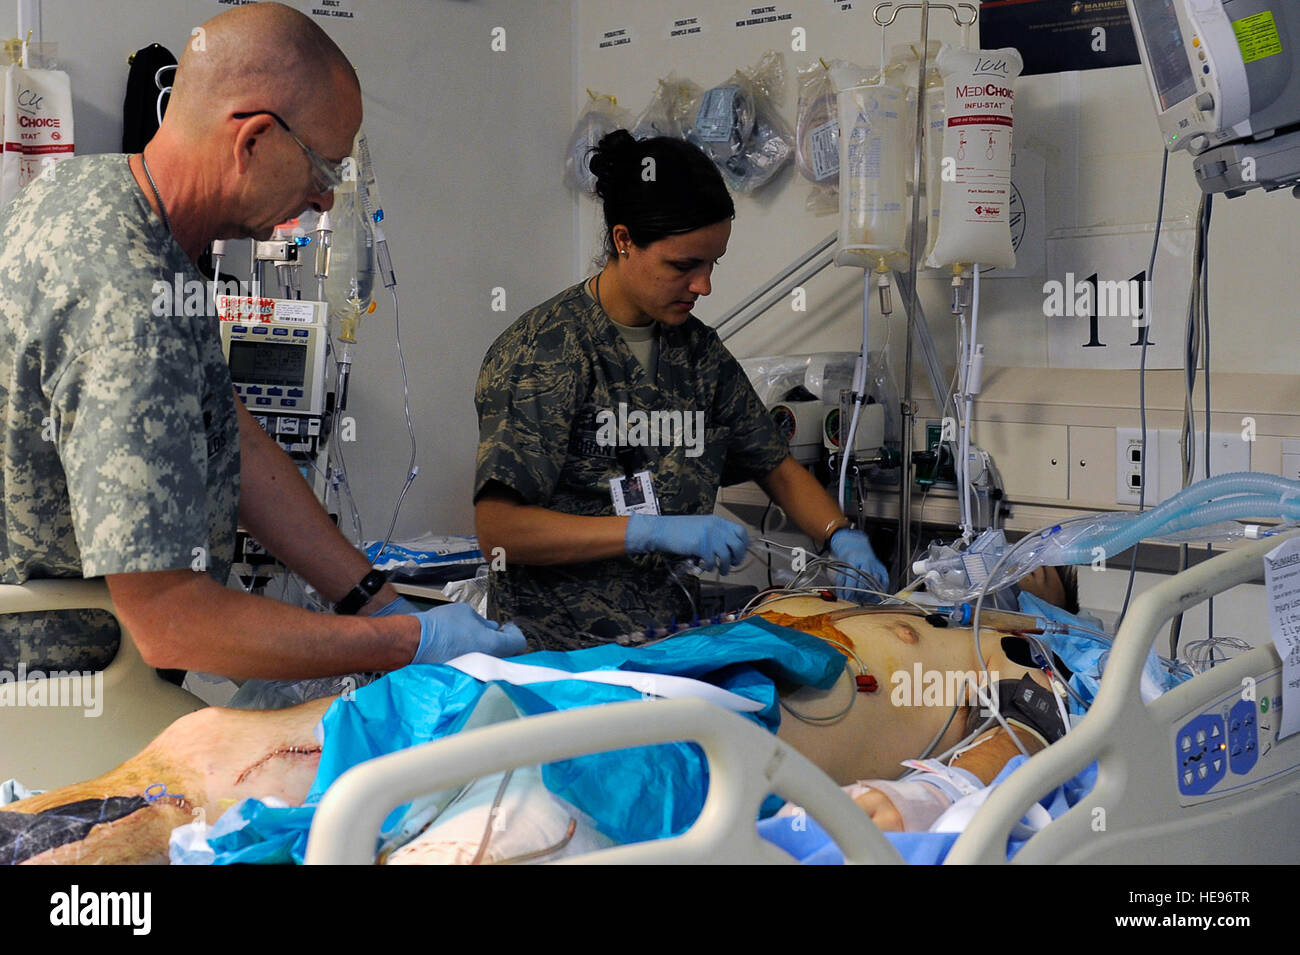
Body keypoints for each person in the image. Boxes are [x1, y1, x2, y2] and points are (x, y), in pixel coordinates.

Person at [0, 2, 522, 680]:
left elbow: (235, 437)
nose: (326, 200)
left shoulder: (89, 196)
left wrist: (378, 603)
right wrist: (407, 645)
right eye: (322, 168)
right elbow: (173, 622)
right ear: (251, 141)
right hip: (74, 692)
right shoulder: (127, 303)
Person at [0, 596, 1068, 864]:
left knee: (227, 762)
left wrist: (927, 788)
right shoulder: (990, 669)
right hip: (585, 701)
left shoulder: (1018, 675)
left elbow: (987, 758)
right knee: (218, 756)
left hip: (605, 744)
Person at [474, 130, 889, 650]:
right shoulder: (546, 351)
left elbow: (774, 465)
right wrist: (648, 531)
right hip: (557, 656)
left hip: (668, 642)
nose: (704, 286)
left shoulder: (698, 355)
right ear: (624, 241)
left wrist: (838, 535)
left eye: (712, 263)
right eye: (683, 265)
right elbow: (499, 531)